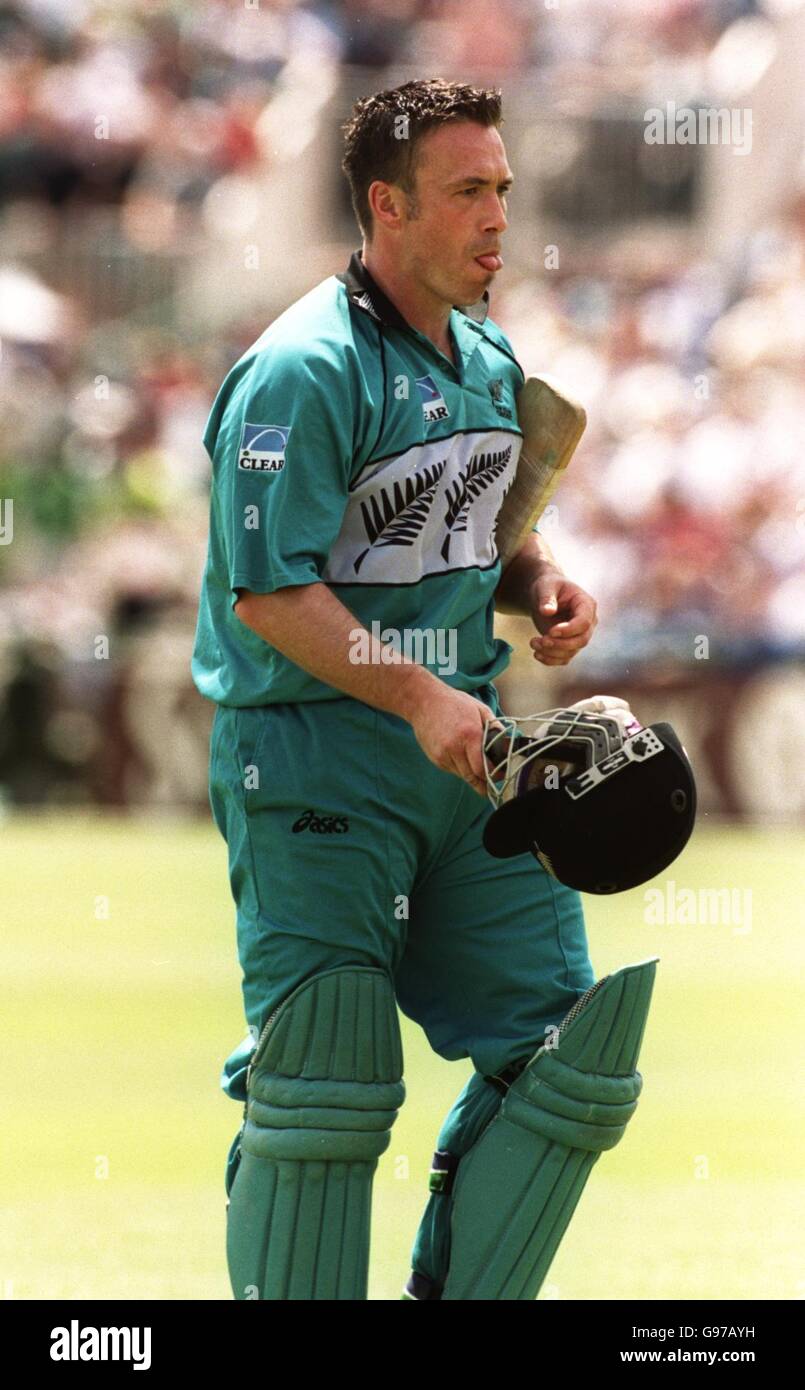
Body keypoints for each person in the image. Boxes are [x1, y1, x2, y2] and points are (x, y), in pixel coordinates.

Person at [192, 77, 613, 1301]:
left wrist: (537, 584)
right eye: (468, 192)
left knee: (566, 1063)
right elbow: (269, 595)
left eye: (504, 191)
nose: (499, 220)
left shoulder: (488, 356)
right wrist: (422, 699)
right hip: (315, 753)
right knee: (325, 1084)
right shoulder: (297, 370)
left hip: (466, 752)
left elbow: (471, 533)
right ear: (386, 204)